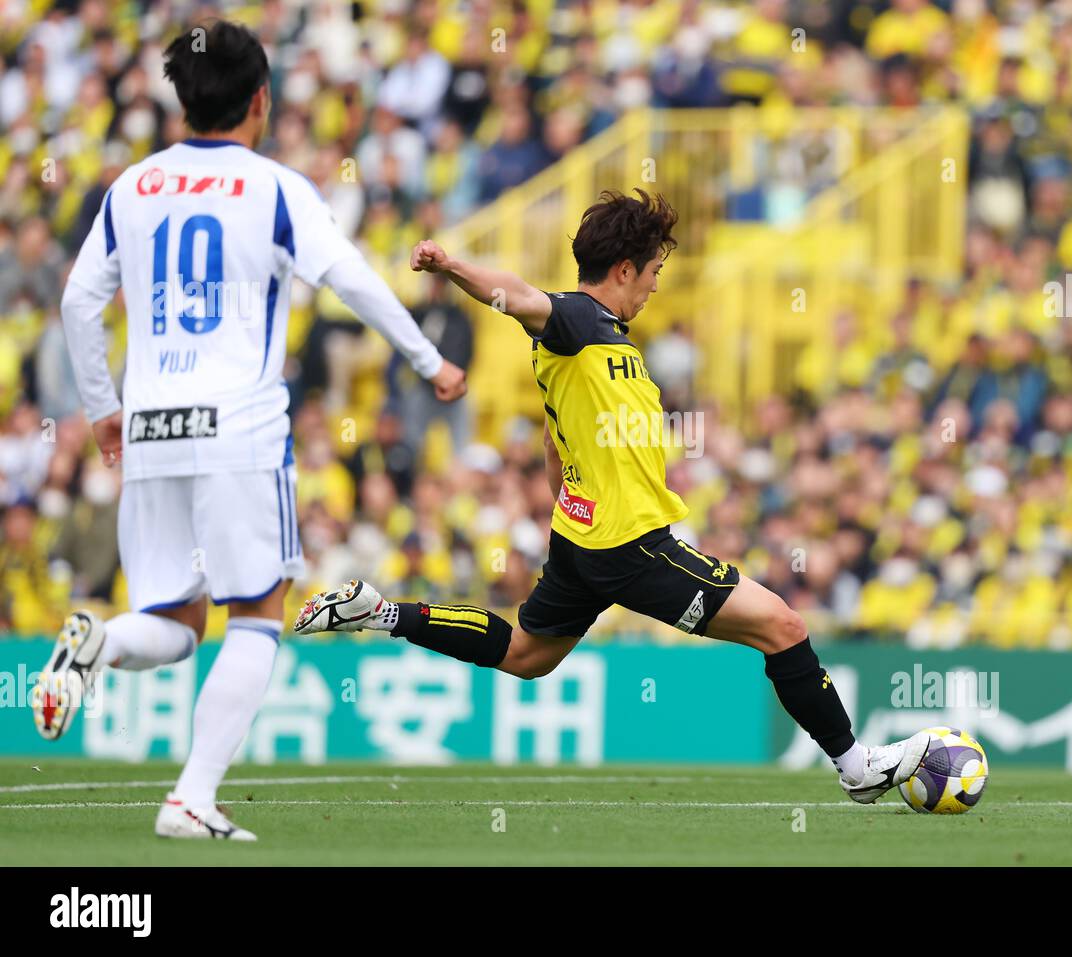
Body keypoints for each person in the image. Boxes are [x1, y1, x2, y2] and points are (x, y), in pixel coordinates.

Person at [296, 189, 927, 804]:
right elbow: (515, 294)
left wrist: (567, 514)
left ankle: (380, 614)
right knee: (782, 626)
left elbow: (554, 443)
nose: (656, 284)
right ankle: (856, 766)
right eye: (654, 271)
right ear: (625, 269)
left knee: (526, 654)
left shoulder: (604, 346)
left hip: (584, 539)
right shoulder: (577, 320)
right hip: (631, 544)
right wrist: (451, 264)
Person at [31, 19, 466, 841]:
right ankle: (191, 797)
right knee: (259, 611)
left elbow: (76, 302)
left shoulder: (131, 187)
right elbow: (353, 279)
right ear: (260, 100)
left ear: (181, 100)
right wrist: (426, 358)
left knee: (176, 622)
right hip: (240, 424)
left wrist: (101, 410)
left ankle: (95, 641)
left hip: (152, 425)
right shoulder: (275, 188)